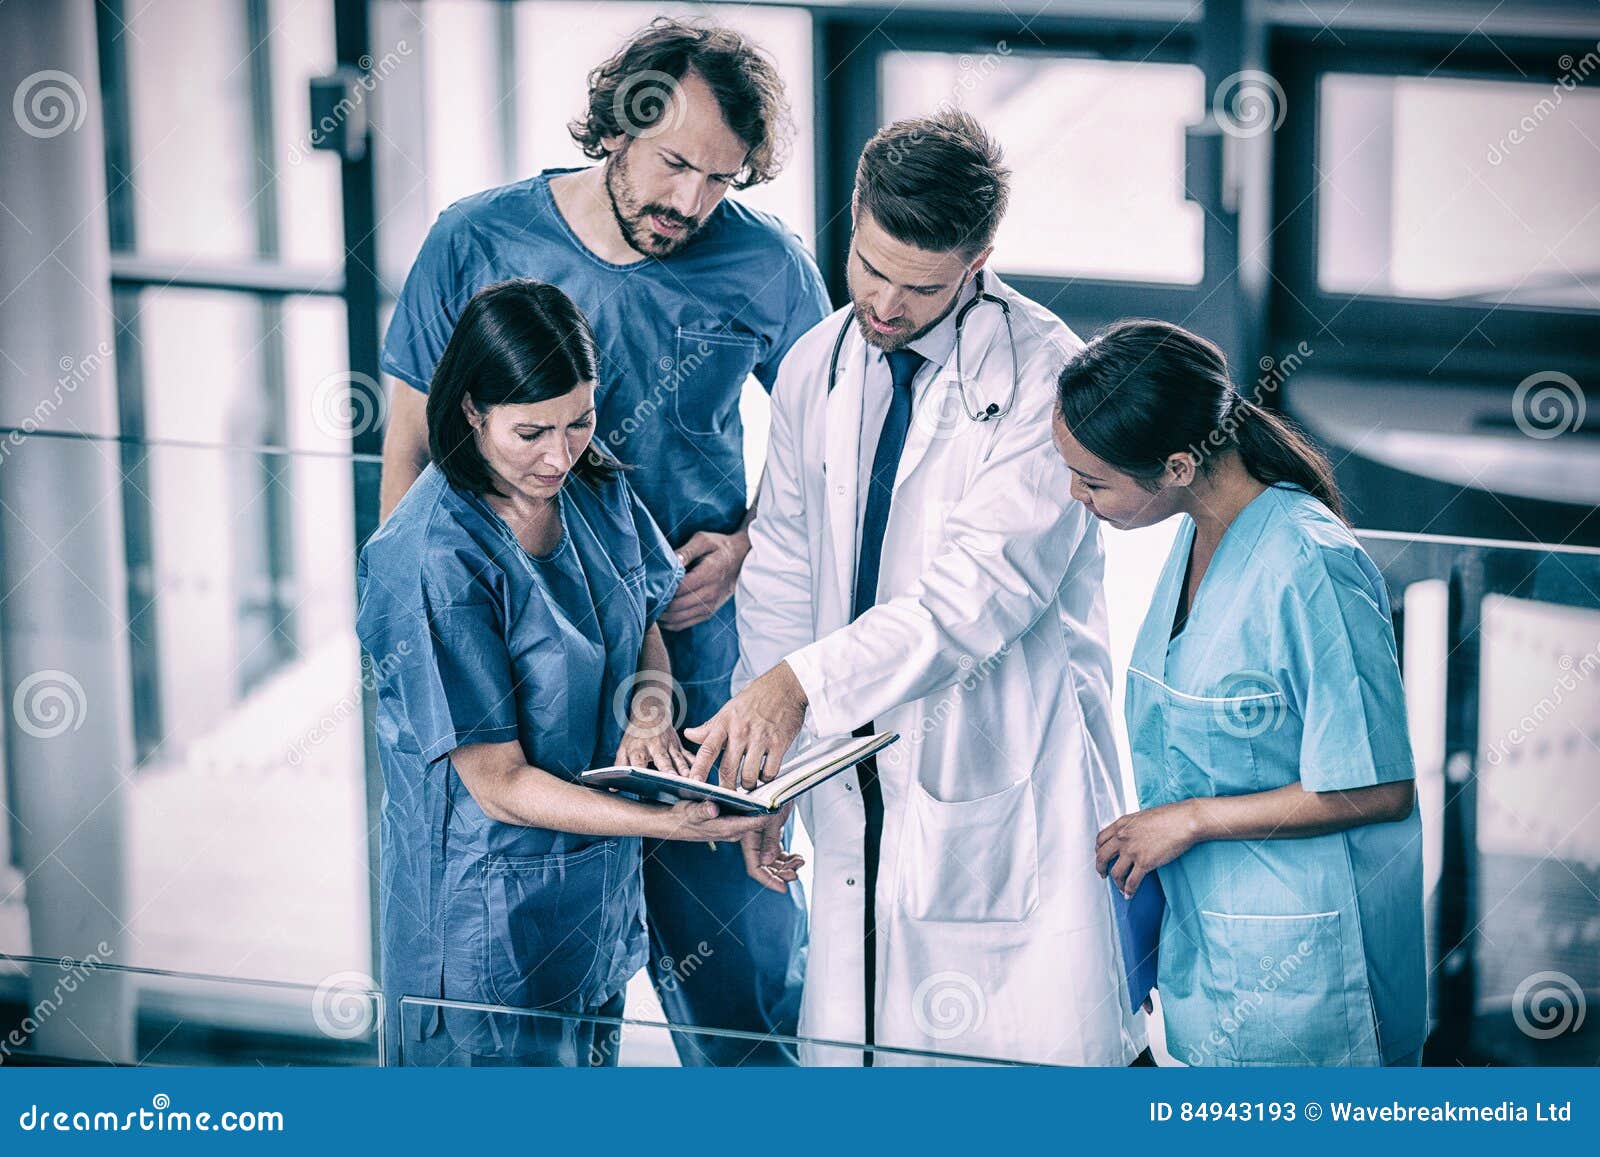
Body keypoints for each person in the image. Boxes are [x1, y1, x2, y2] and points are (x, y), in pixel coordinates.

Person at [376, 19, 829, 1063]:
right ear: (618, 124)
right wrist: (415, 637)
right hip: (509, 655)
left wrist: (753, 542)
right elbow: (408, 449)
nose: (690, 204)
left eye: (722, 180)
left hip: (685, 653)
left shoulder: (766, 267)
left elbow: (824, 447)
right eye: (675, 164)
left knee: (737, 979)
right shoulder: (478, 238)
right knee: (518, 969)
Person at [690, 110, 1144, 1066]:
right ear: (851, 220)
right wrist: (770, 761)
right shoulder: (816, 363)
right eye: (869, 266)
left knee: (1011, 1067)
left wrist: (802, 687)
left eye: (921, 285)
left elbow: (975, 598)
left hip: (1001, 765)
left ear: (979, 259)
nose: (886, 305)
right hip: (848, 773)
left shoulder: (1043, 380)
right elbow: (781, 569)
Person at [356, 281, 779, 1066]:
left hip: (589, 907)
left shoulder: (594, 486)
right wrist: (668, 824)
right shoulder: (431, 558)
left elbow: (643, 622)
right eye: (531, 432)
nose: (560, 453)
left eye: (579, 419)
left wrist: (649, 709)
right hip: (485, 933)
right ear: (471, 412)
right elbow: (499, 783)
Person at [1053, 319, 1427, 1067]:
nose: (1075, 495)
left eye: (1094, 481)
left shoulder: (1311, 564)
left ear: (1179, 464)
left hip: (1314, 976)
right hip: (1216, 960)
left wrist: (1188, 820)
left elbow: (1379, 786)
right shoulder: (1198, 532)